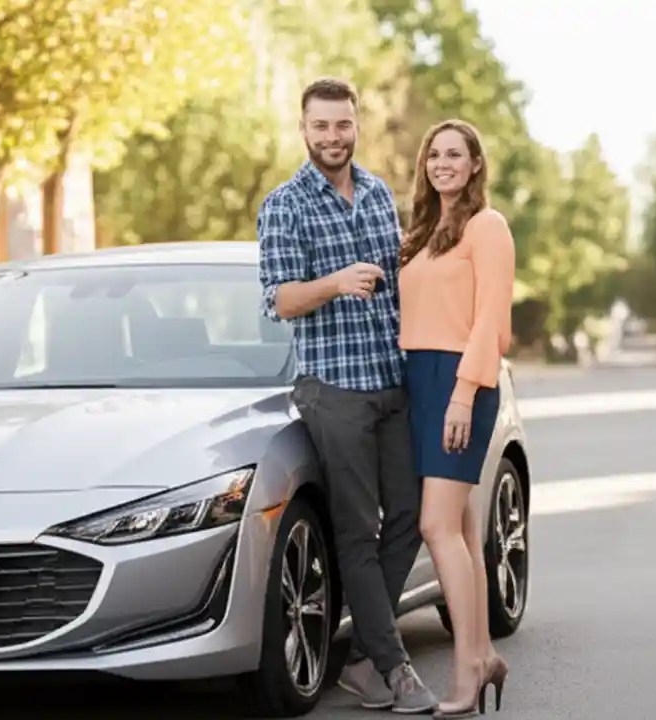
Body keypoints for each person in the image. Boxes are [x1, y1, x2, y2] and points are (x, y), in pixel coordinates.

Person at [257, 77, 438, 714]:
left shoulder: (379, 192)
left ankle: (361, 656)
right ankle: (393, 668)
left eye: (342, 125)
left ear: (356, 125)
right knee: (357, 531)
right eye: (320, 127)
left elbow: (399, 290)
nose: (332, 137)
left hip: (391, 382)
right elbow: (278, 299)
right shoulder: (286, 205)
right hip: (334, 391)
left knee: (414, 517)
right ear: (303, 130)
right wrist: (333, 283)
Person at [396, 118, 514, 718]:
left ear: (474, 166)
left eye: (455, 154)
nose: (443, 163)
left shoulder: (486, 226)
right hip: (419, 380)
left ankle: (467, 669)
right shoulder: (421, 231)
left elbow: (490, 317)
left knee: (436, 526)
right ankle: (486, 653)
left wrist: (464, 393)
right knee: (462, 525)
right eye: (434, 154)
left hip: (459, 381)